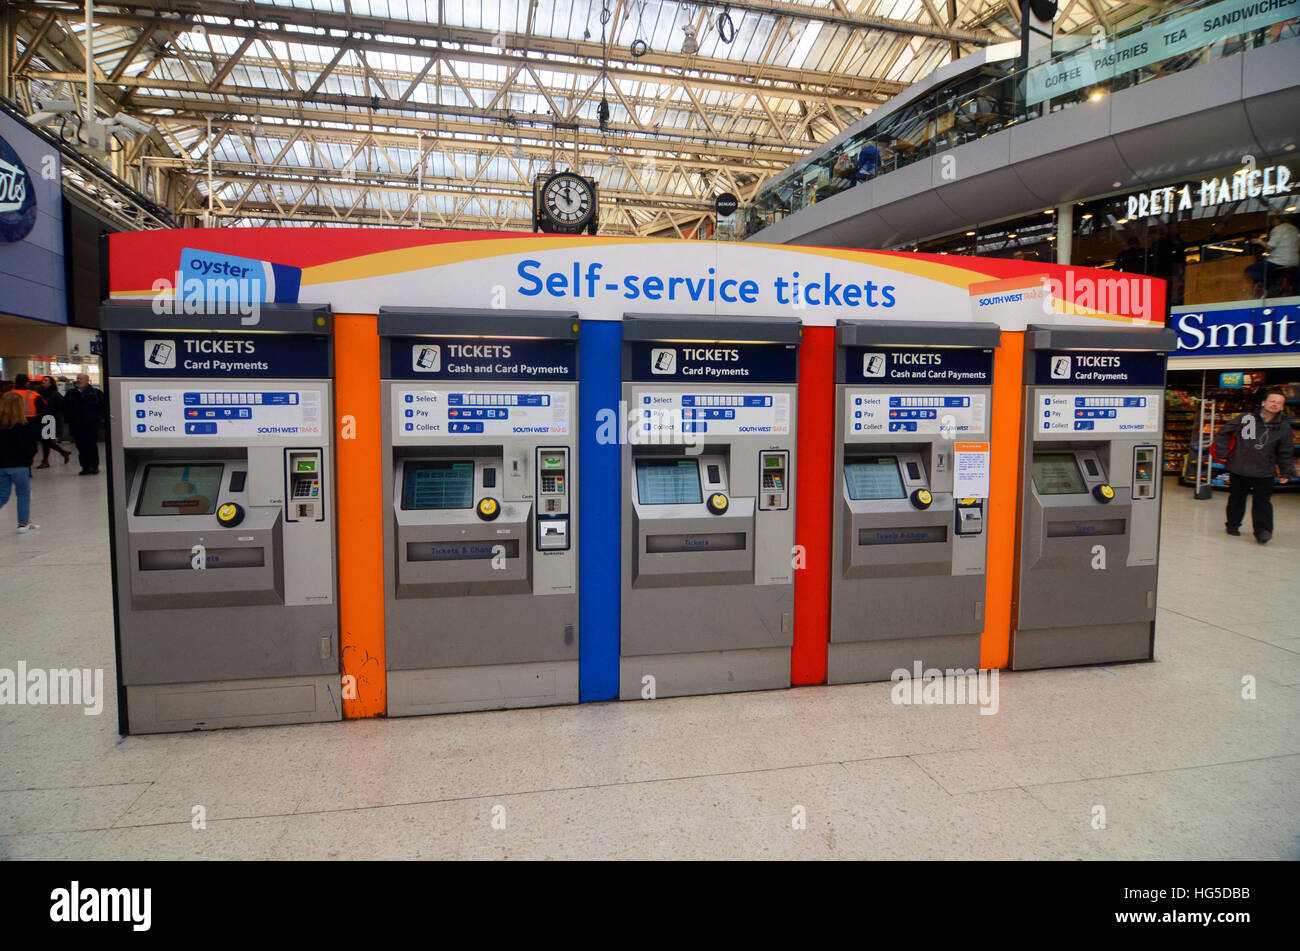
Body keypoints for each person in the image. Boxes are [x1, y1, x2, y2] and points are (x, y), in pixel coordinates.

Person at [1213, 388, 1297, 544]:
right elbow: (1224, 433)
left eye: (1279, 403)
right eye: (1272, 401)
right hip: (1239, 467)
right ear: (1263, 402)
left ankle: (1262, 531)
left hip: (1265, 471)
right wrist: (1223, 453)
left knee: (1263, 502)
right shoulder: (1246, 418)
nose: (1275, 405)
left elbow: (1285, 451)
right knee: (1237, 499)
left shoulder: (1283, 428)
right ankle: (1232, 525)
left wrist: (1286, 472)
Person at [0, 391, 40, 533]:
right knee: (23, 493)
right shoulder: (23, 426)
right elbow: (29, 447)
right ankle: (23, 524)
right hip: (20, 465)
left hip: (2, 465)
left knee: (2, 495)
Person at [1244, 213, 1299, 295]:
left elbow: (1270, 247)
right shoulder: (1295, 229)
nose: (1274, 221)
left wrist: (1258, 241)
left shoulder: (1278, 229)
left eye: (1274, 219)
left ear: (1278, 220)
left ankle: (1270, 286)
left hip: (1280, 261)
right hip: (1295, 261)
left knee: (1250, 270)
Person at [63, 373, 106, 475]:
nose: (79, 380)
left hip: (91, 425)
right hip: (77, 425)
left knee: (91, 445)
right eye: (78, 378)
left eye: (81, 379)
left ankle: (94, 466)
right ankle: (85, 466)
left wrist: (98, 418)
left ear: (87, 380)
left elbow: (103, 406)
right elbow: (65, 407)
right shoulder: (71, 393)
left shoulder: (95, 393)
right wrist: (69, 418)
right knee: (81, 447)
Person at [34, 376, 71, 468]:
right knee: (46, 441)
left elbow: (61, 406)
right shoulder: (39, 393)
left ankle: (46, 460)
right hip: (41, 419)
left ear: (50, 383)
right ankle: (63, 452)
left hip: (50, 419)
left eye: (46, 380)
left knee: (45, 440)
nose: (43, 381)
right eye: (43, 380)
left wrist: (55, 416)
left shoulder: (54, 394)